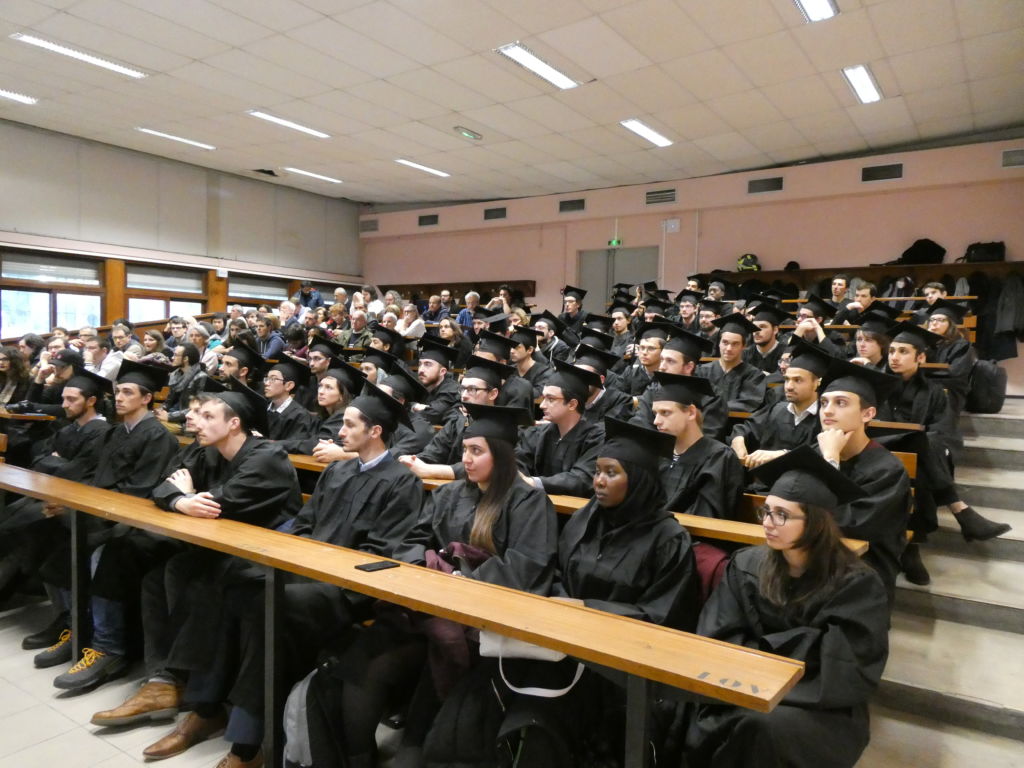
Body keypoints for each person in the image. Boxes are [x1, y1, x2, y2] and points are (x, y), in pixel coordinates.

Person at [130, 383, 409, 767]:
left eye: (348, 425)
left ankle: (247, 745)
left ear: (375, 431)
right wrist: (283, 559)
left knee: (263, 605)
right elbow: (304, 524)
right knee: (227, 584)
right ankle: (207, 707)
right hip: (302, 569)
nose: (338, 432)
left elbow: (381, 552)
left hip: (344, 589)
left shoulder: (401, 481)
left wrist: (314, 568)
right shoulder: (338, 472)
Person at [425, 418, 700, 766]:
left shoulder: (668, 540)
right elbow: (553, 571)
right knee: (474, 697)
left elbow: (663, 616)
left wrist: (583, 607)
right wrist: (559, 610)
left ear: (640, 480)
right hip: (558, 643)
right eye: (597, 470)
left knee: (537, 719)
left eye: (611, 473)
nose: (598, 481)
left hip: (617, 662)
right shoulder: (587, 518)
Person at [327, 403, 557, 766]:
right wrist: (430, 572)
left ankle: (417, 742)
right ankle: (358, 757)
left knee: (426, 715)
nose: (465, 458)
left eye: (476, 451)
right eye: (464, 449)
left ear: (502, 454)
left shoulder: (528, 501)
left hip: (478, 625)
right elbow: (411, 542)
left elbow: (526, 566)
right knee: (365, 663)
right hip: (426, 607)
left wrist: (459, 582)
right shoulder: (449, 494)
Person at [687, 446, 890, 768]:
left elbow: (844, 667)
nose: (768, 522)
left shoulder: (858, 585)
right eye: (766, 511)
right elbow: (718, 633)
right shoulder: (746, 564)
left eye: (782, 514)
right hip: (741, 687)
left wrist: (762, 657)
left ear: (816, 522)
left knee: (763, 726)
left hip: (818, 706)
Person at [30, 361, 179, 685]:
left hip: (132, 522)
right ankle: (76, 628)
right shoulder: (115, 432)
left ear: (146, 398)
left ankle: (108, 648)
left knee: (103, 555)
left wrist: (93, 515)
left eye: (127, 392)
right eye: (118, 391)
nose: (119, 397)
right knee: (57, 541)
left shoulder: (158, 437)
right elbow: (94, 476)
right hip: (103, 513)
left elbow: (140, 492)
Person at [879, 323, 1009, 584]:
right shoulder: (876, 387)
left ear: (921, 357)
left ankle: (911, 546)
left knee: (924, 447)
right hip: (879, 454)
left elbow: (943, 431)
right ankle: (959, 509)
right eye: (892, 350)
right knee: (920, 445)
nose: (894, 356)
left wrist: (919, 442)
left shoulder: (935, 393)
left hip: (919, 462)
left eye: (903, 351)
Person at [815, 359, 912, 598]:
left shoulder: (888, 470)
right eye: (824, 402)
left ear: (868, 413)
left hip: (861, 570)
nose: (827, 410)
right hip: (811, 556)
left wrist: (830, 461)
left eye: (841, 403)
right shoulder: (815, 452)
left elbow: (848, 526)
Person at [651, 372, 744, 518]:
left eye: (665, 413)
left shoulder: (719, 458)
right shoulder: (657, 454)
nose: (656, 421)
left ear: (691, 413)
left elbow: (707, 518)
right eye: (655, 413)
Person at [400, 355, 507, 481]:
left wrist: (429, 470)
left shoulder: (503, 429)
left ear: (493, 394)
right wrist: (412, 462)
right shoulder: (458, 422)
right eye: (462, 389)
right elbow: (433, 453)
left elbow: (490, 467)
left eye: (472, 389)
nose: (464, 396)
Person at [731, 339, 830, 475]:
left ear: (817, 383)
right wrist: (738, 440)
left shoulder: (827, 416)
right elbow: (746, 428)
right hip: (762, 488)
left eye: (798, 380)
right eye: (787, 379)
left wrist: (783, 455)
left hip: (802, 490)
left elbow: (822, 453)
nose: (788, 386)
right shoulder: (777, 409)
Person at [517, 360, 605, 497]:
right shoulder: (538, 433)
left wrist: (534, 482)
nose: (542, 405)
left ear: (572, 404)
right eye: (544, 398)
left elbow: (582, 479)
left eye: (550, 399)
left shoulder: (596, 439)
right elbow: (519, 460)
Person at [282, 363, 366, 457]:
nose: (321, 391)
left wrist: (275, 444)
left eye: (328, 388)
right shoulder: (322, 416)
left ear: (342, 396)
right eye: (320, 386)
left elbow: (315, 445)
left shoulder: (342, 417)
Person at [699, 314, 767, 413]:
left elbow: (748, 403)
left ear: (744, 346)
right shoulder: (702, 371)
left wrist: (711, 406)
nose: (729, 349)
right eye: (725, 342)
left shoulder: (753, 376)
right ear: (719, 343)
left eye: (735, 344)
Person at [924, 298, 976, 416]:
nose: (934, 323)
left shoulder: (961, 345)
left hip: (952, 388)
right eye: (932, 320)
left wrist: (924, 375)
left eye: (940, 320)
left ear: (950, 324)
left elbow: (956, 372)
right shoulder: (926, 344)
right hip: (929, 384)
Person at [573, 343, 633, 422]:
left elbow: (603, 432)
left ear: (601, 379)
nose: (578, 380)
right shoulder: (569, 398)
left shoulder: (620, 401)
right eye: (575, 374)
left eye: (585, 375)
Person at [474, 330, 534, 411]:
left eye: (486, 362)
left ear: (502, 362)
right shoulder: (475, 383)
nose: (480, 367)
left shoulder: (520, 388)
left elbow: (511, 421)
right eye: (478, 361)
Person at [263, 358, 316, 442]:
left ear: (289, 385)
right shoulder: (262, 408)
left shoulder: (300, 416)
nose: (266, 383)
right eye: (266, 378)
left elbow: (295, 445)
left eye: (273, 379)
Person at [411, 336, 460, 425]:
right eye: (420, 364)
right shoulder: (416, 383)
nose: (421, 370)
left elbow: (433, 415)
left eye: (428, 364)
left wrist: (411, 407)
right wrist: (416, 406)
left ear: (442, 372)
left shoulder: (452, 389)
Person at [156, 342, 207, 426]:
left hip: (185, 422)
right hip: (173, 415)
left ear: (186, 359)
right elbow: (168, 401)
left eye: (176, 355)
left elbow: (197, 408)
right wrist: (161, 410)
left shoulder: (201, 377)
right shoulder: (175, 375)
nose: (172, 357)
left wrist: (170, 416)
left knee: (154, 427)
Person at [743, 303, 789, 375]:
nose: (756, 331)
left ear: (775, 330)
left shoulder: (786, 353)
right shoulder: (745, 355)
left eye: (762, 326)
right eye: (754, 327)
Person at [508, 325, 551, 398]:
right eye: (511, 347)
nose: (512, 351)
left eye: (517, 347)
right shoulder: (509, 370)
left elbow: (537, 394)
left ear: (530, 350)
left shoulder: (544, 373)